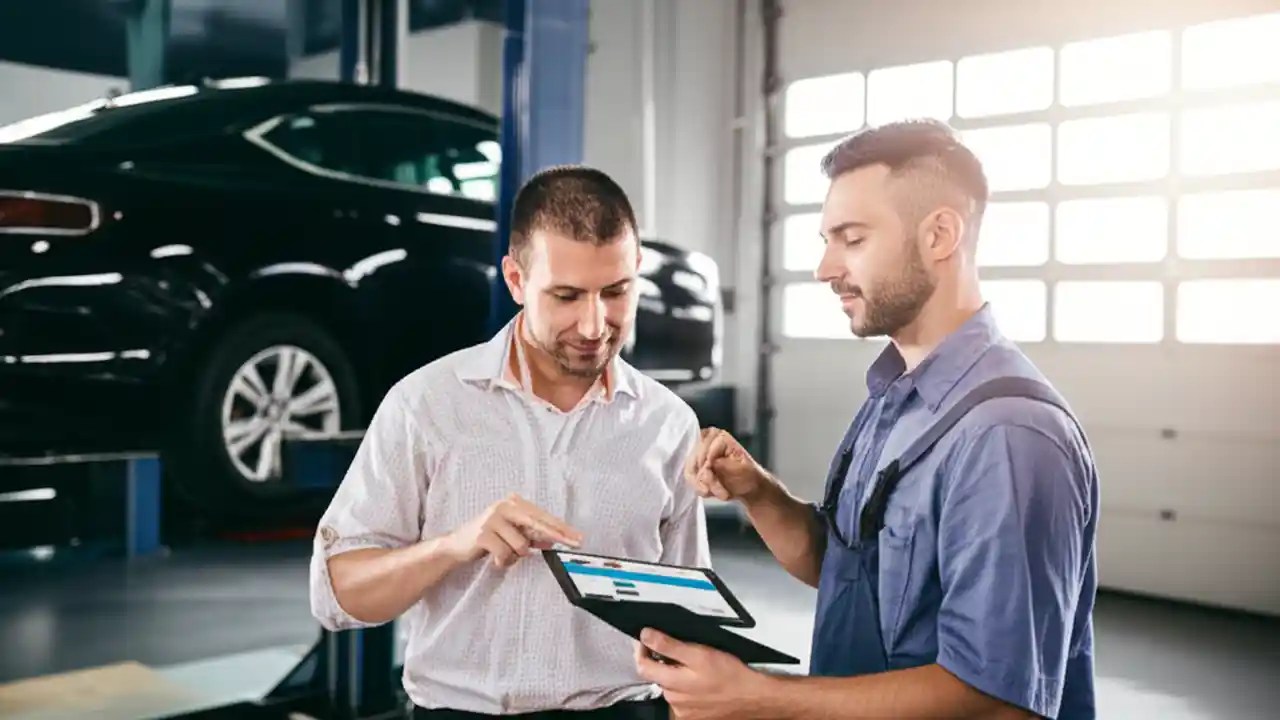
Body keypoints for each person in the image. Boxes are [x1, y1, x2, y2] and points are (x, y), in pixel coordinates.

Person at [635, 120, 1099, 720]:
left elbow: (995, 701)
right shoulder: (895, 396)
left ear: (939, 235)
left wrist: (761, 698)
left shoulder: (1008, 436)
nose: (825, 268)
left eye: (851, 239)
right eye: (827, 240)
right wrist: (759, 492)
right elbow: (846, 571)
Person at [310, 165, 709, 719]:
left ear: (636, 271)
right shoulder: (427, 405)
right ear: (516, 280)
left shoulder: (669, 424)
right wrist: (454, 545)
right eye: (566, 296)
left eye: (616, 292)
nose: (595, 325)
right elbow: (339, 593)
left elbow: (685, 627)